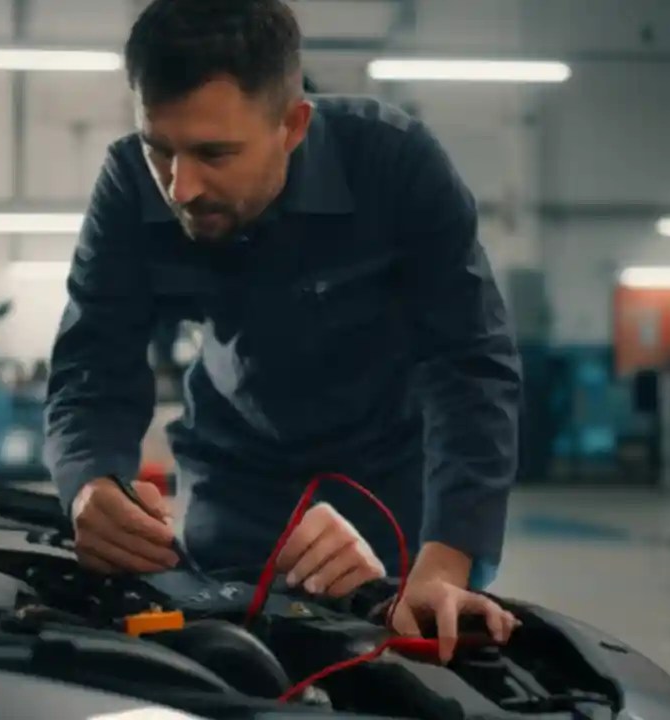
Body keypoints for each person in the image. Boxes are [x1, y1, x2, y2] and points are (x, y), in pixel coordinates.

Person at [44, 0, 523, 655]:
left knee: (396, 666)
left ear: (293, 126)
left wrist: (444, 562)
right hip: (237, 485)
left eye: (214, 153)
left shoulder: (395, 165)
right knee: (222, 660)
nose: (180, 188)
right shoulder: (130, 183)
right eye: (161, 150)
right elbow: (92, 365)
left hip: (391, 490)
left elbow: (469, 365)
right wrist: (90, 484)